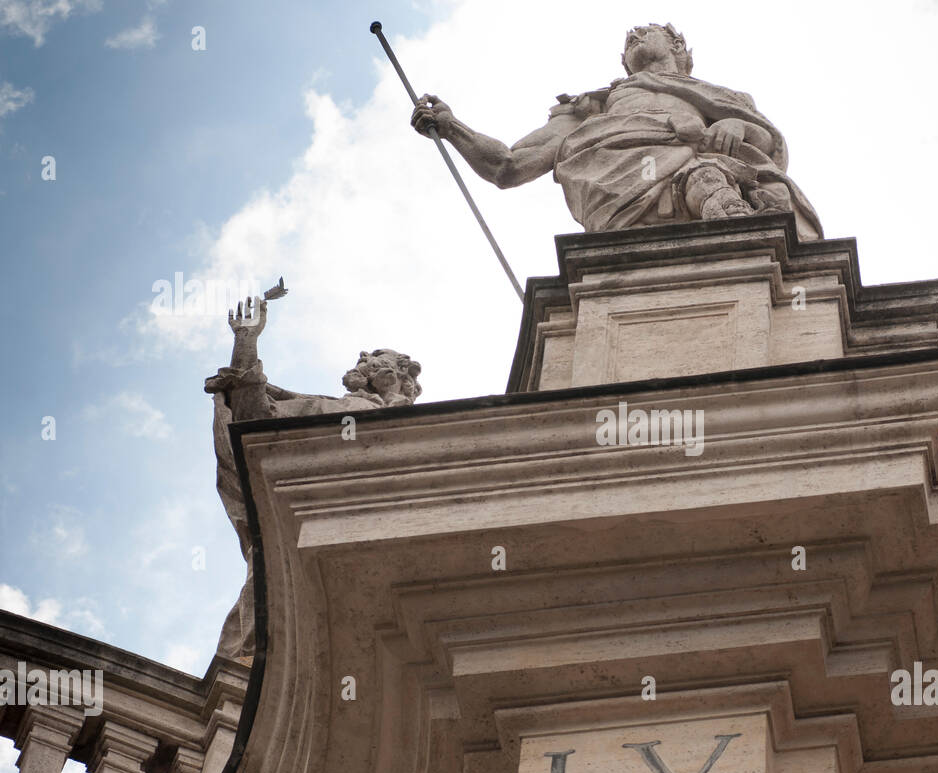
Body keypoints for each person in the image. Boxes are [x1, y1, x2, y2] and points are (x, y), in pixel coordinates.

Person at [410, 23, 822, 240]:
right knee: (704, 179)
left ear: (679, 48)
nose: (634, 37)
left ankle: (747, 257)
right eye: (628, 40)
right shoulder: (593, 108)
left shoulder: (722, 96)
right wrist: (452, 128)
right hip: (619, 190)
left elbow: (767, 145)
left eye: (645, 31)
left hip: (707, 168)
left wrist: (735, 125)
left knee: (711, 180)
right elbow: (508, 167)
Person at [203, 293, 422, 658]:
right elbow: (253, 420)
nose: (369, 363)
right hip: (307, 550)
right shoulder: (332, 410)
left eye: (384, 362)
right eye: (372, 361)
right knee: (275, 648)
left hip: (391, 567)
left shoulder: (425, 433)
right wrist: (246, 341)